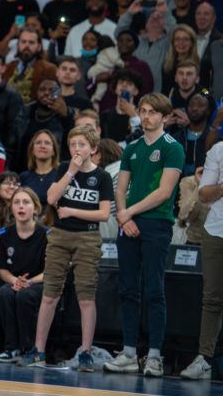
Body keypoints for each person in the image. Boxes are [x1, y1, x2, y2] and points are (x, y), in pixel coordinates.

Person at [18, 125, 113, 372]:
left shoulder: (102, 177)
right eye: (73, 144)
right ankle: (38, 350)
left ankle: (86, 353)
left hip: (87, 238)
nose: (77, 149)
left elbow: (103, 214)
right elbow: (51, 198)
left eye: (82, 144)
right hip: (60, 236)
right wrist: (70, 172)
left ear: (93, 149)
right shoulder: (63, 169)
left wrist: (73, 211)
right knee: (50, 294)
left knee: (86, 296)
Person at [104, 93, 184, 377]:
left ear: (165, 117)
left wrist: (126, 214)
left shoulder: (172, 147)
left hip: (157, 223)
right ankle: (128, 352)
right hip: (130, 224)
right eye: (143, 111)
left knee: (154, 290)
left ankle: (154, 355)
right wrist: (124, 216)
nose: (147, 116)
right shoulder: (132, 147)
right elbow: (119, 188)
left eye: (152, 112)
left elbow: (164, 192)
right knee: (127, 289)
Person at [180, 139, 223, 379]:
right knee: (212, 298)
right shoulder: (218, 150)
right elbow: (205, 194)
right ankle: (204, 358)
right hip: (217, 229)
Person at [0, 187, 47, 363]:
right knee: (4, 292)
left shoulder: (47, 235)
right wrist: (16, 281)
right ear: (11, 208)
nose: (21, 207)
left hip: (38, 283)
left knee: (24, 296)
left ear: (36, 208)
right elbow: (1, 269)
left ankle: (30, 348)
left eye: (26, 202)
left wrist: (29, 282)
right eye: (17, 203)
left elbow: (52, 271)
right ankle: (11, 348)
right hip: (14, 281)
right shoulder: (4, 234)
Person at [19, 130, 60, 212]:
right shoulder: (23, 177)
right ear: (32, 150)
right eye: (38, 142)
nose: (42, 146)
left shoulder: (61, 175)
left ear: (54, 151)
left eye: (47, 143)